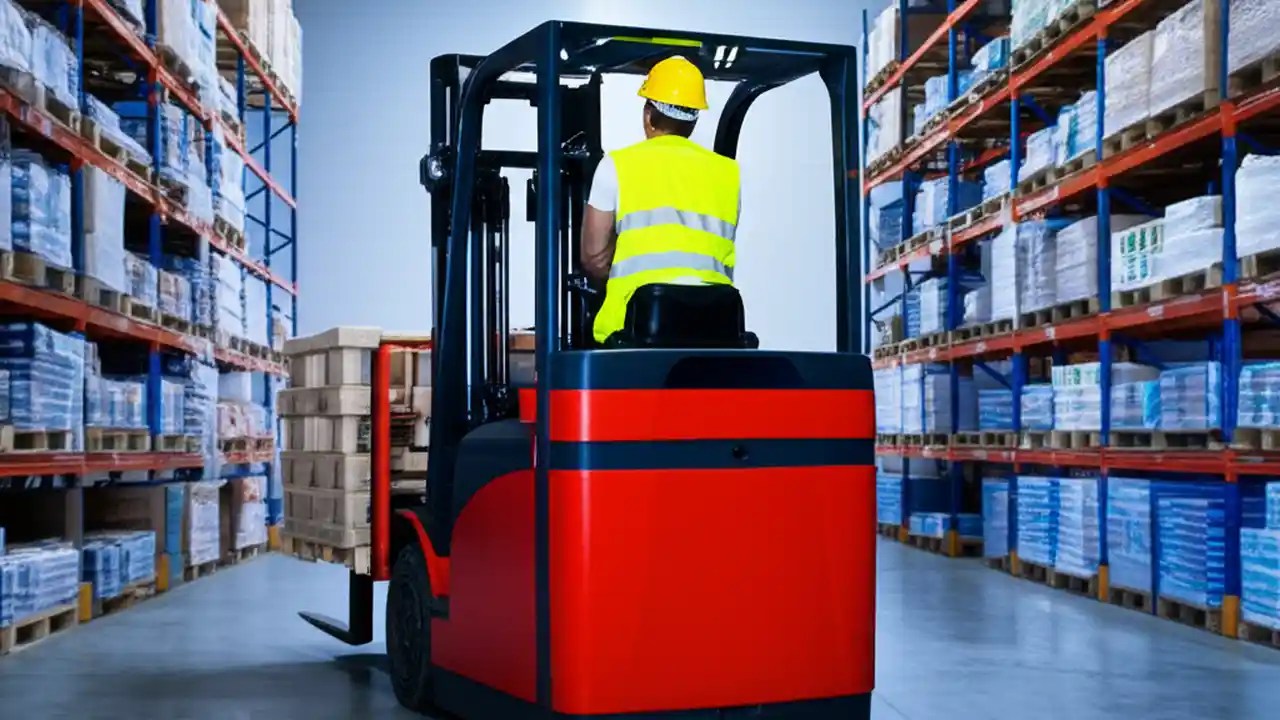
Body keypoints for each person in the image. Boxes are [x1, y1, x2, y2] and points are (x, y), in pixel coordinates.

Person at [580, 55, 742, 345]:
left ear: (648, 113)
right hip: (716, 330)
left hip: (637, 334)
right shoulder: (729, 174)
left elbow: (594, 259)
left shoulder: (616, 165)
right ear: (693, 119)